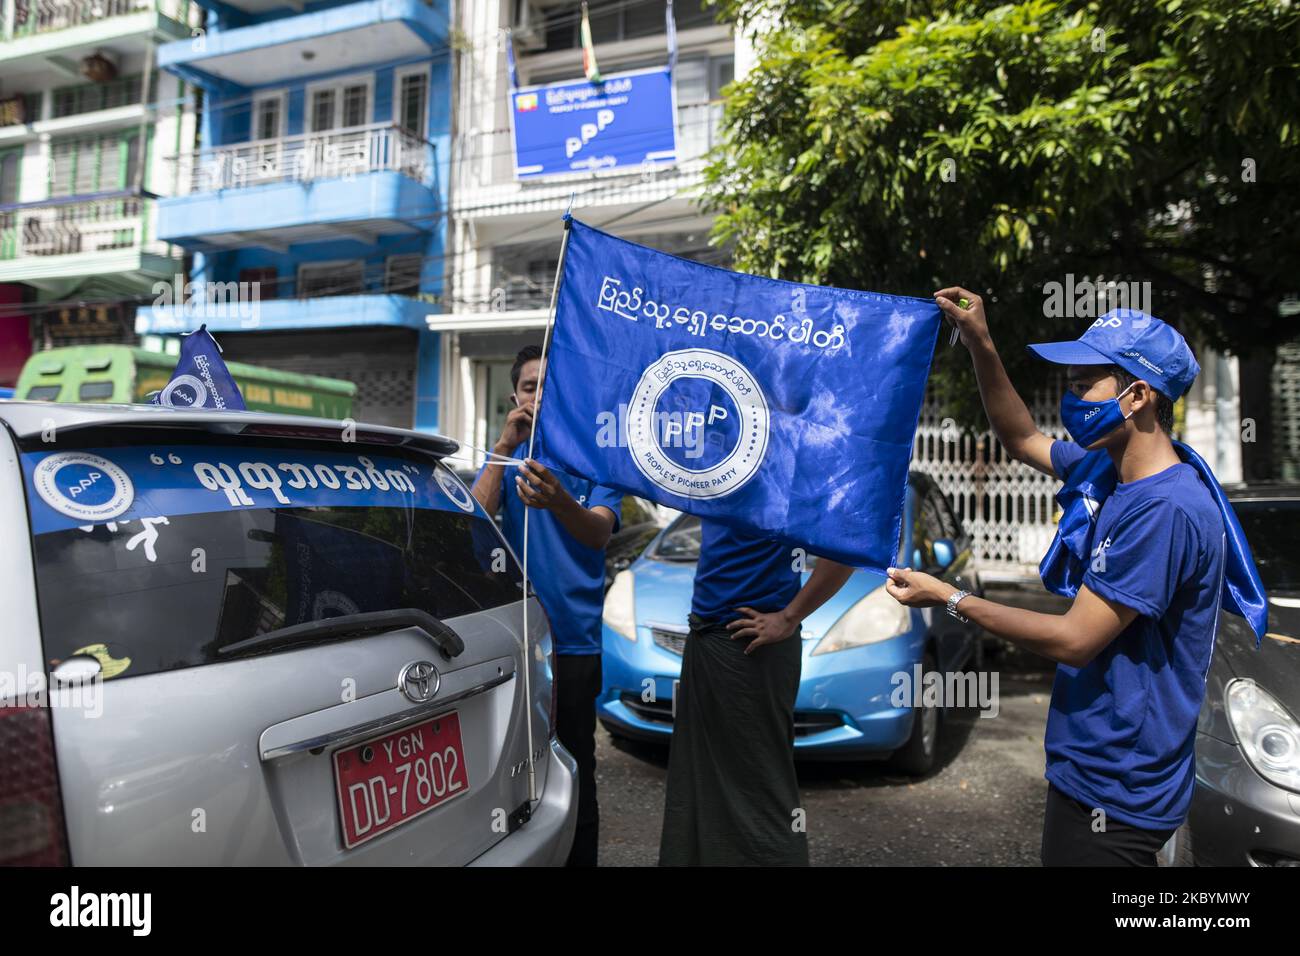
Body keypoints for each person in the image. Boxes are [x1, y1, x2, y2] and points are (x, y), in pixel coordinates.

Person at [885, 290, 1227, 866]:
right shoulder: (1108, 468)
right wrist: (981, 343)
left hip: (1118, 785)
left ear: (1137, 395)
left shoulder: (1164, 509)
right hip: (1092, 767)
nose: (1068, 400)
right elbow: (1020, 438)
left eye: (1081, 385)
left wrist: (948, 595)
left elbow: (1075, 639)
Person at [470, 344, 622, 867]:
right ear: (515, 395)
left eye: (547, 386)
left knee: (574, 768)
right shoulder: (506, 456)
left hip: (574, 644)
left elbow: (599, 531)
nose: (538, 395)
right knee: (513, 769)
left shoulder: (596, 454)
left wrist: (560, 499)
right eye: (530, 386)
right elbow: (474, 520)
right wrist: (505, 444)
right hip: (515, 641)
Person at [658, 521, 853, 866]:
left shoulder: (793, 471)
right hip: (710, 639)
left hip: (750, 648)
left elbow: (846, 548)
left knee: (759, 790)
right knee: (701, 787)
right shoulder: (723, 468)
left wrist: (789, 617)